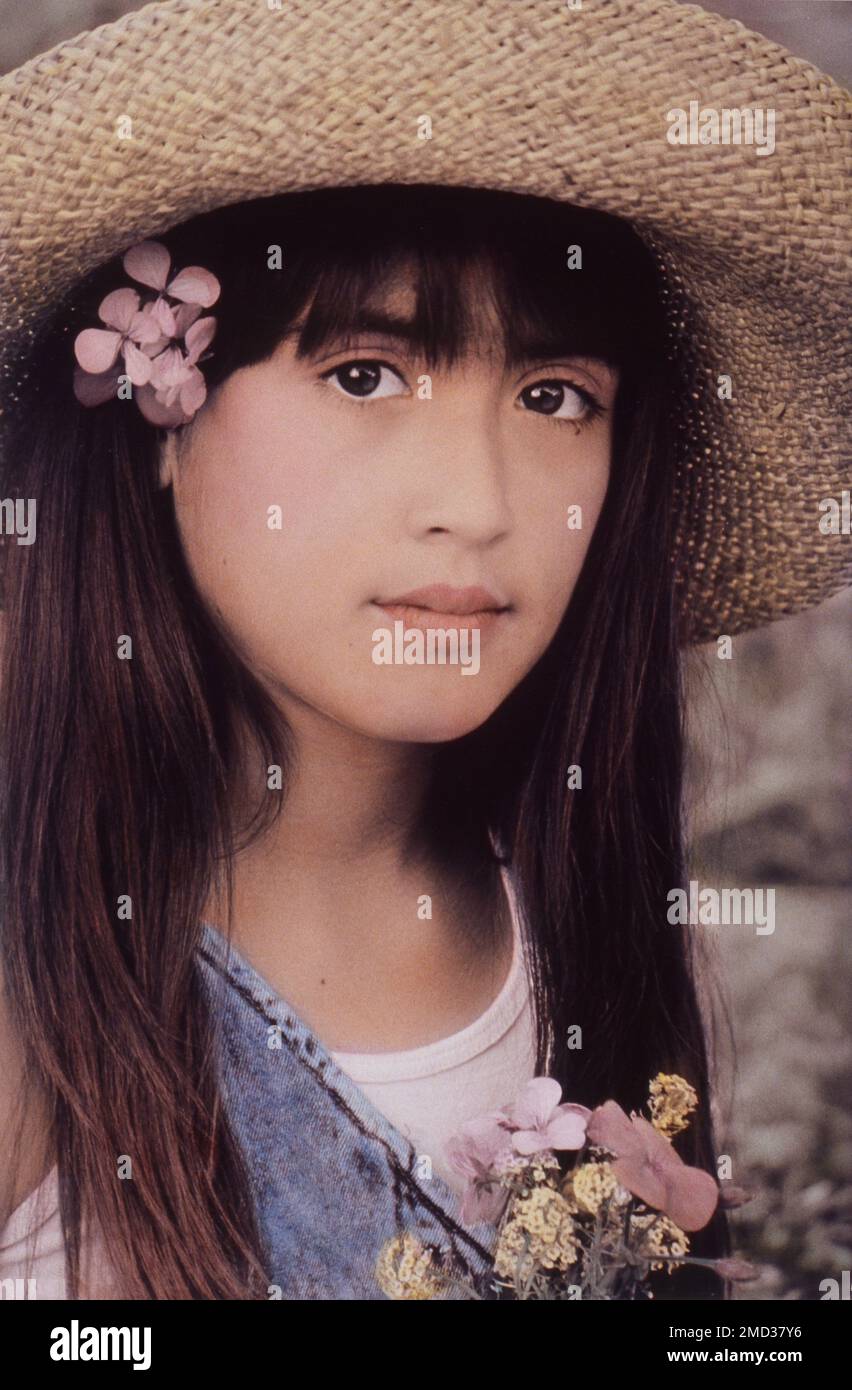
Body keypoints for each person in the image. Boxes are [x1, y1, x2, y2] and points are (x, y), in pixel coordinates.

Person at [0, 0, 848, 1302]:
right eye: (364, 374)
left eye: (555, 396)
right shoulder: (35, 993)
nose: (481, 500)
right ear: (158, 412)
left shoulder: (563, 916)